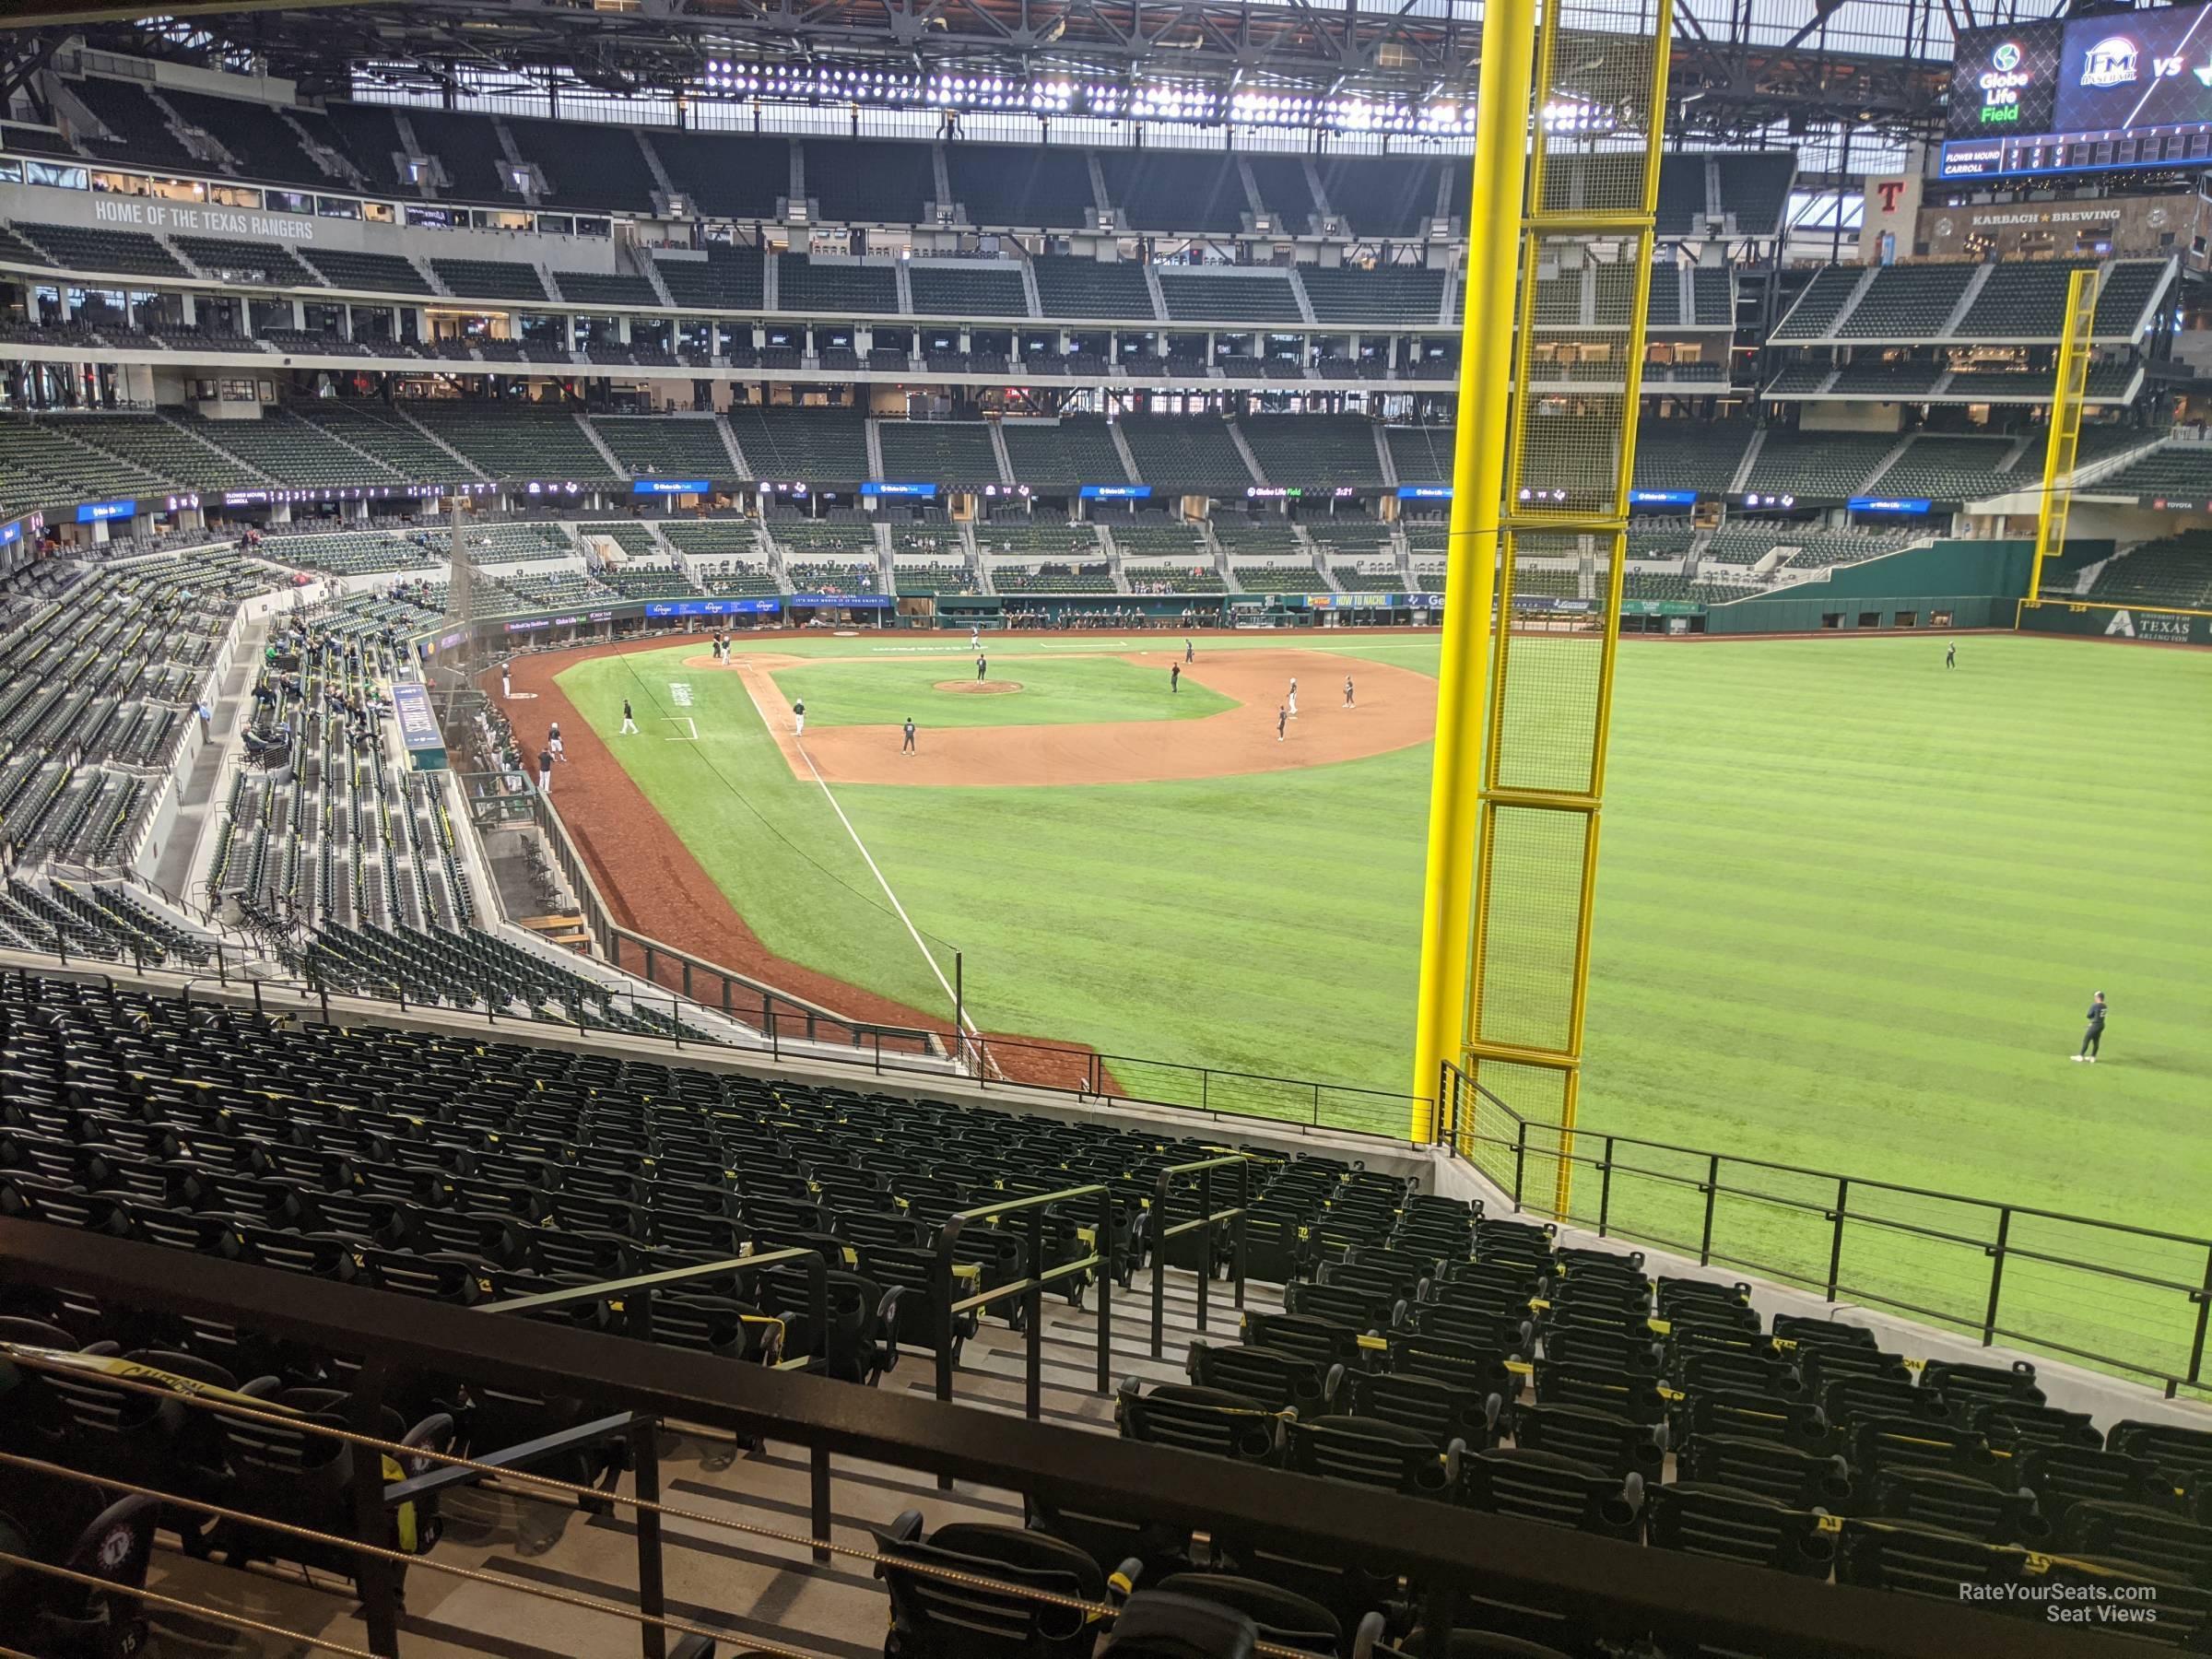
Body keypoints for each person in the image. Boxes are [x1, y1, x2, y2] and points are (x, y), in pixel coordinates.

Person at [2073, 992, 2108, 1063]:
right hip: (2101, 1025)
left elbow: (2089, 1015)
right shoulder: (2105, 1006)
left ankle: (2080, 1056)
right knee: (2096, 1041)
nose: (2094, 998)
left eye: (2095, 997)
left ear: (2098, 998)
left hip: (2095, 1025)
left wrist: (2092, 1022)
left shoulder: (2095, 1005)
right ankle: (2093, 1057)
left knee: (2086, 1039)